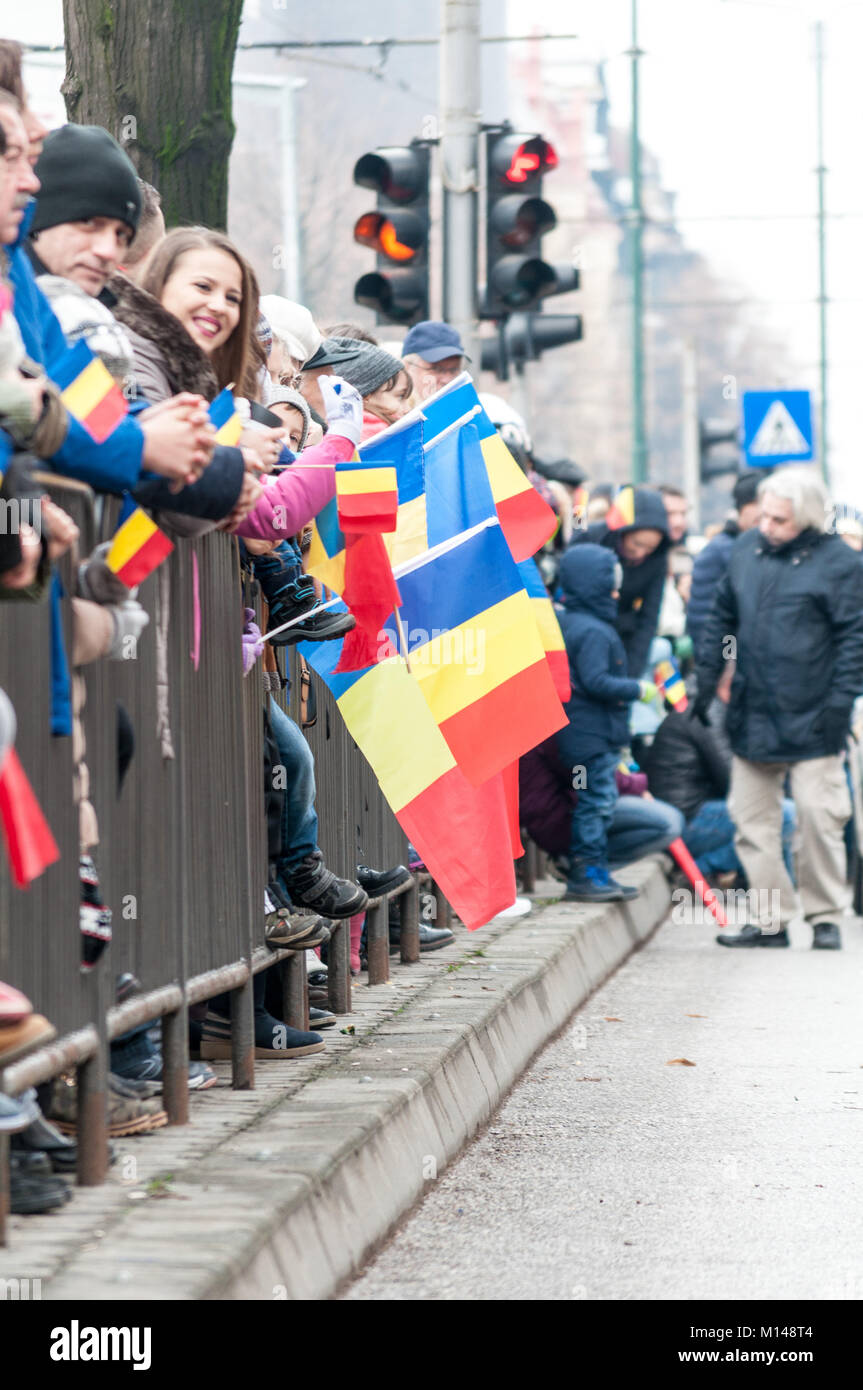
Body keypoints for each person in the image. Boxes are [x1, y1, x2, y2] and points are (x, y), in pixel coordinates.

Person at [694, 465, 863, 950]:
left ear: (807, 520)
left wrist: (840, 704)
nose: (766, 526)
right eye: (764, 516)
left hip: (816, 712)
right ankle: (771, 920)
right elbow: (721, 616)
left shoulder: (840, 563)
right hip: (754, 707)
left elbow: (854, 639)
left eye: (779, 520)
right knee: (751, 822)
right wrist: (708, 681)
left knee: (818, 816)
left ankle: (825, 916)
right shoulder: (746, 550)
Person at [555, 543, 658, 902]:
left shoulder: (569, 622)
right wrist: (638, 689)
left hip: (580, 735)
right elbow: (596, 681)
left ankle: (593, 872)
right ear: (593, 587)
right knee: (596, 803)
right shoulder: (594, 631)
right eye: (610, 586)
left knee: (594, 802)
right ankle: (589, 874)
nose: (616, 593)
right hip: (591, 737)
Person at [642, 667, 796, 882]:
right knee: (783, 814)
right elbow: (734, 780)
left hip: (691, 812)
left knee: (774, 811)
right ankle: (698, 871)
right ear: (730, 687)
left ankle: (770, 888)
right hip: (686, 821)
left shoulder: (711, 707)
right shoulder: (707, 714)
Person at [569, 485, 671, 678]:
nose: (641, 553)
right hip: (584, 633)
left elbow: (649, 618)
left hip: (625, 637)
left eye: (650, 548)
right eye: (637, 544)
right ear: (624, 532)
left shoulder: (658, 561)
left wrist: (631, 674)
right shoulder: (591, 539)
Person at [687, 470, 762, 653]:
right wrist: (728, 661)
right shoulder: (718, 551)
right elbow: (706, 620)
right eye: (755, 503)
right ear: (740, 508)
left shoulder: (762, 548)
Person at [401, 319, 468, 400]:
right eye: (436, 369)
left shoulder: (472, 409)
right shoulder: (392, 411)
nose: (447, 380)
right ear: (407, 368)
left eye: (454, 370)